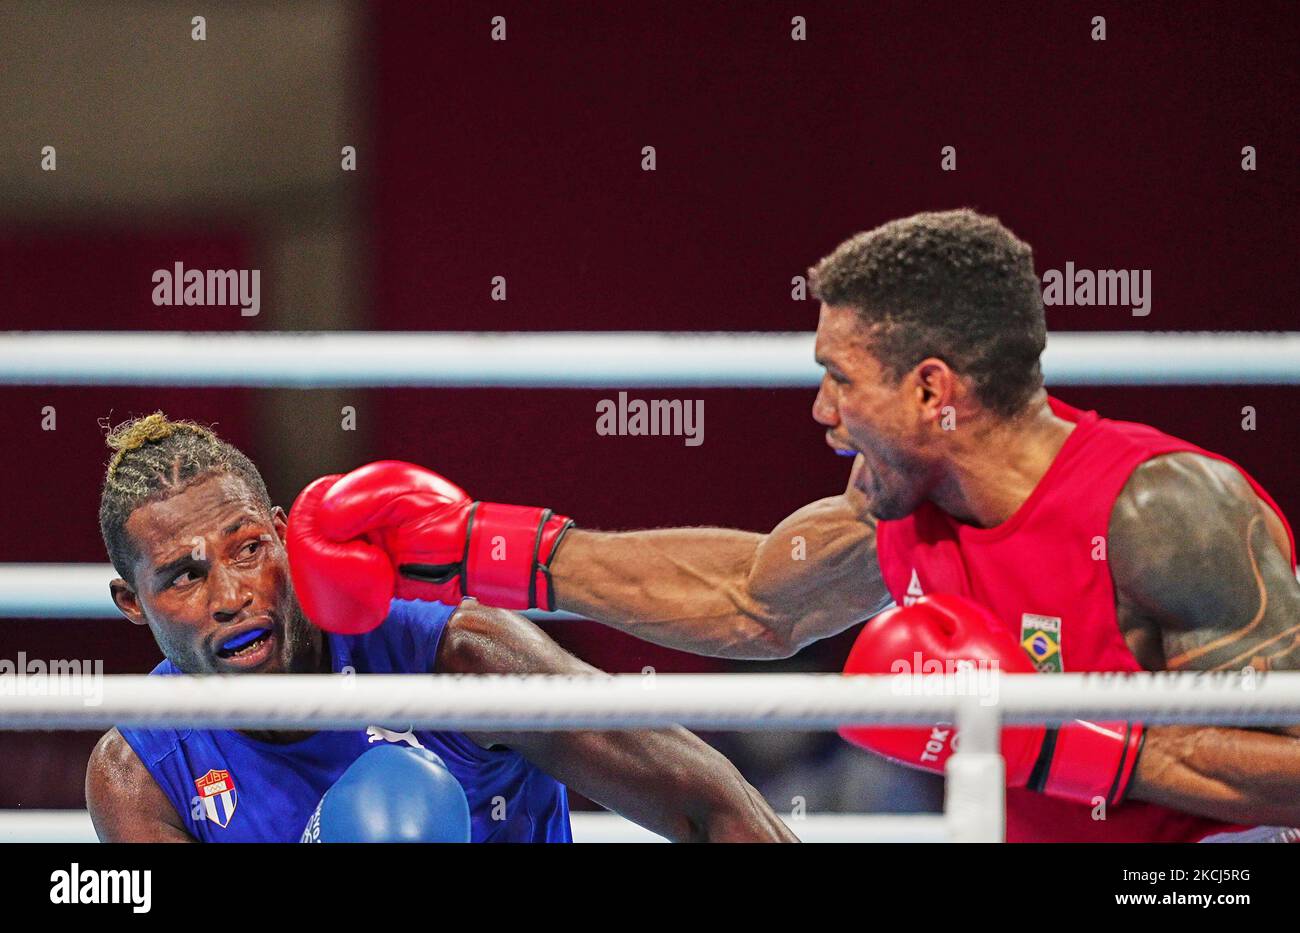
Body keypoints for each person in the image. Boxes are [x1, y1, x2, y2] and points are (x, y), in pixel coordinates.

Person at [295, 210, 1300, 842]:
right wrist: (477, 546)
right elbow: (747, 599)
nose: (820, 409)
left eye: (838, 376)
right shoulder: (897, 505)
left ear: (930, 389)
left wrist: (1055, 743)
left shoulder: (1165, 513)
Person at [84, 414, 796, 843]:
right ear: (132, 602)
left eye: (249, 549)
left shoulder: (461, 659)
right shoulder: (140, 774)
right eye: (183, 574)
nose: (233, 594)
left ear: (282, 534)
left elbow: (712, 809)